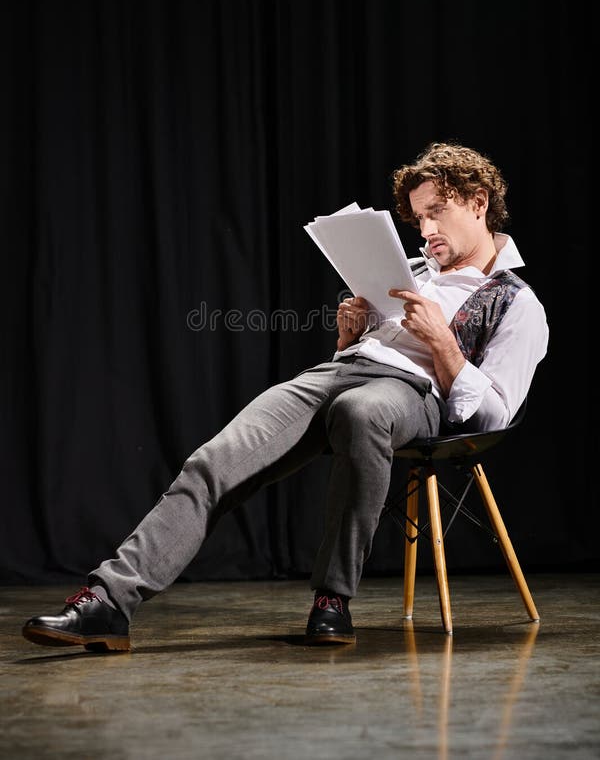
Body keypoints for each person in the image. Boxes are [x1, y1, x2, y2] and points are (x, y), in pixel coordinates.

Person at [22, 142, 549, 651]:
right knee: (215, 461)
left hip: (415, 393)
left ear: (478, 202)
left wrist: (442, 344)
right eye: (419, 218)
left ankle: (333, 599)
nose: (427, 230)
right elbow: (364, 350)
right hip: (341, 371)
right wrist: (352, 335)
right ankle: (108, 601)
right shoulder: (411, 271)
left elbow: (496, 411)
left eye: (437, 212)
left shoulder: (517, 302)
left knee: (361, 412)